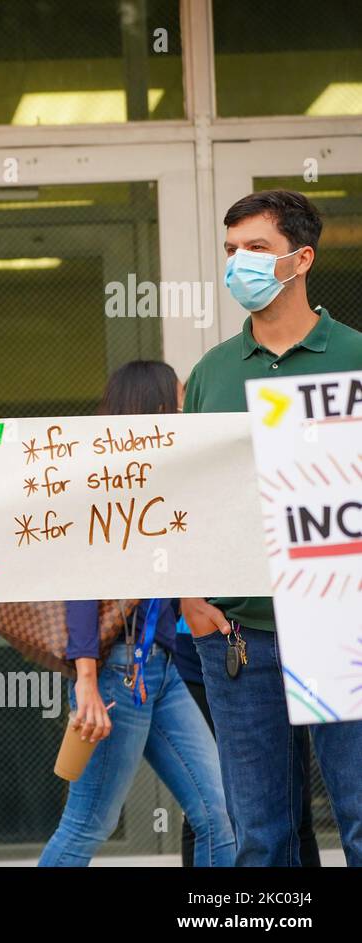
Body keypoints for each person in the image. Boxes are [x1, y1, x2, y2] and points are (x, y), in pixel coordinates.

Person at [180, 189, 362, 866]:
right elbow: (186, 500)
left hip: (346, 628)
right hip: (240, 639)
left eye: (256, 249)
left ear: (300, 259)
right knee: (263, 840)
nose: (238, 265)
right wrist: (192, 601)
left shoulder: (354, 357)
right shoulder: (211, 374)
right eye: (230, 251)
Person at [39, 361, 235, 867]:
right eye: (179, 398)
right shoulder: (105, 482)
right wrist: (85, 679)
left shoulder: (161, 477)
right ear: (154, 407)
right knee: (87, 825)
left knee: (218, 814)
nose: (187, 408)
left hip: (159, 670)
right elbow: (80, 581)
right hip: (116, 673)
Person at [175, 612, 320, 867]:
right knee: (216, 813)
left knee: (298, 810)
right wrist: (191, 603)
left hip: (314, 628)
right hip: (216, 649)